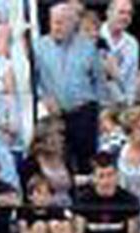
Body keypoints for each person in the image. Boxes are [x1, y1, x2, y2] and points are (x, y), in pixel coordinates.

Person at [34, 2, 106, 172]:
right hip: (54, 115)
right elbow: (33, 79)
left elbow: (98, 80)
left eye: (61, 22)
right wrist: (43, 97)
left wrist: (100, 110)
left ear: (73, 24)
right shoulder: (39, 47)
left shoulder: (88, 47)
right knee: (58, 160)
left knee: (86, 162)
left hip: (83, 112)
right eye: (53, 22)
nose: (56, 27)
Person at [72, 152, 140, 233]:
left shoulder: (129, 200)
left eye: (110, 175)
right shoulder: (83, 200)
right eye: (101, 176)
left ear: (117, 175)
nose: (106, 181)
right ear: (94, 178)